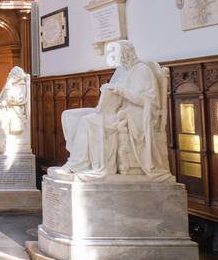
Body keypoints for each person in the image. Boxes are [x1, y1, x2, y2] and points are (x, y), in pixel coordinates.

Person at [51, 39, 170, 179]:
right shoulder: (120, 71)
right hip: (111, 110)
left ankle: (78, 165)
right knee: (69, 115)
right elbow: (113, 93)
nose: (112, 58)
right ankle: (75, 160)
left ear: (125, 53)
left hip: (130, 115)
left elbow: (148, 101)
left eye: (114, 54)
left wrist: (121, 91)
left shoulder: (142, 70)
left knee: (88, 121)